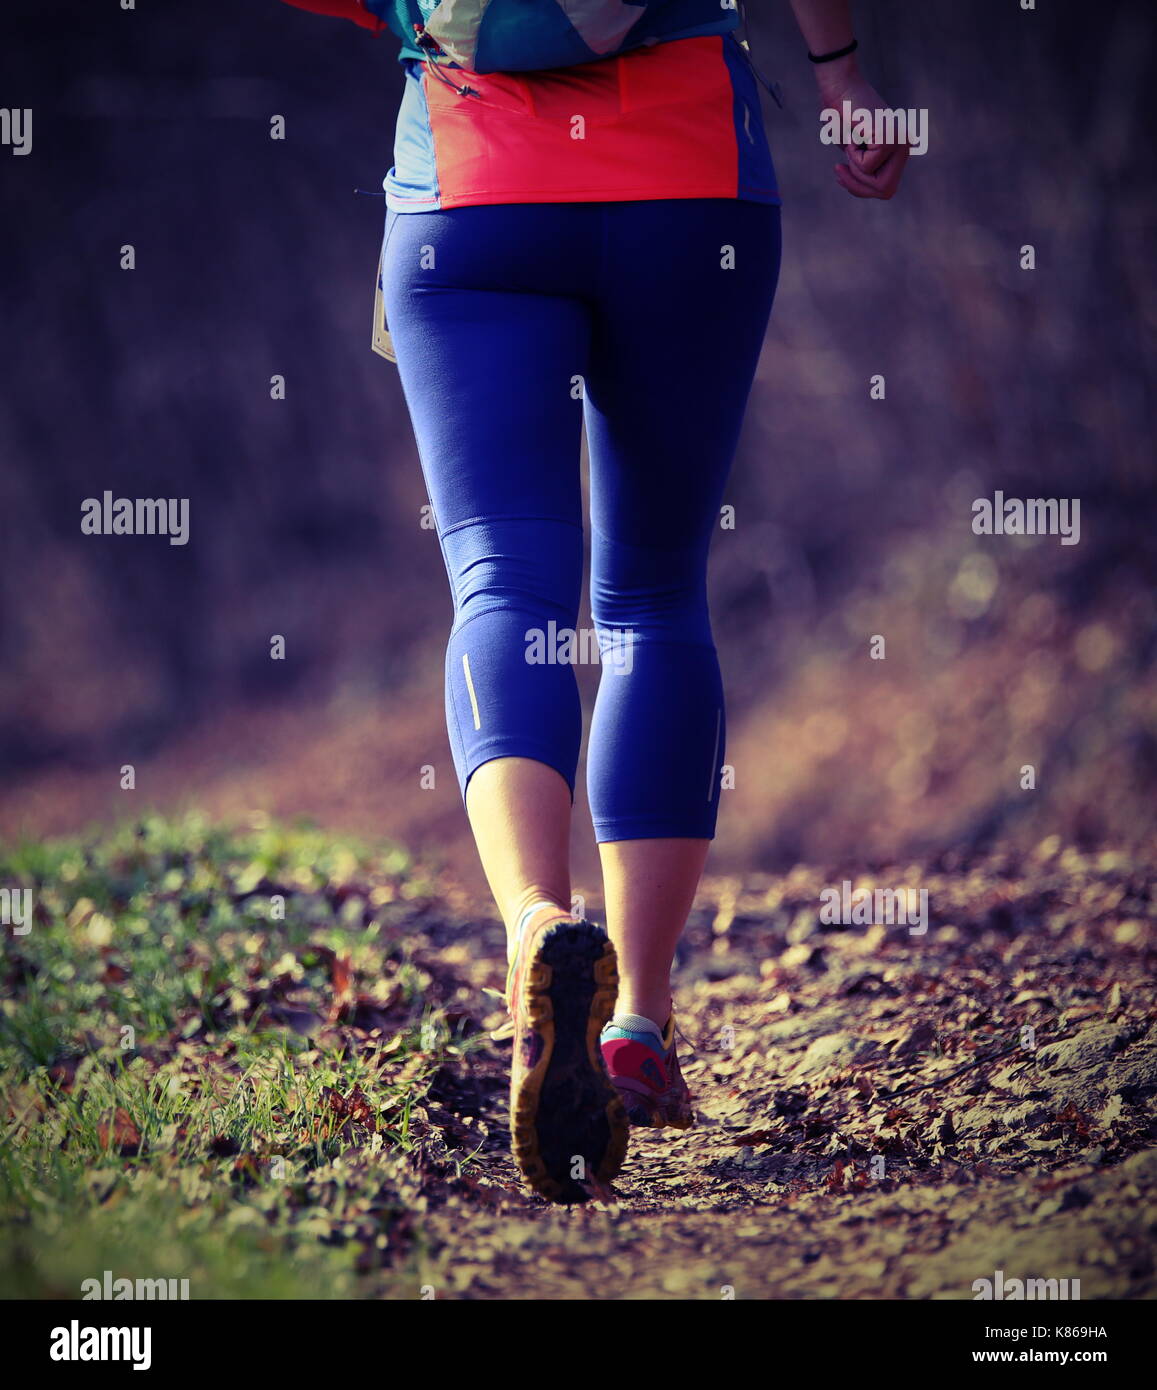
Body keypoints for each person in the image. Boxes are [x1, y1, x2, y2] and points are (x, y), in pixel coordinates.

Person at [281, 0, 910, 1203]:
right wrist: (840, 78)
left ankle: (532, 927)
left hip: (470, 196)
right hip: (688, 186)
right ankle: (637, 1030)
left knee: (502, 578)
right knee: (654, 591)